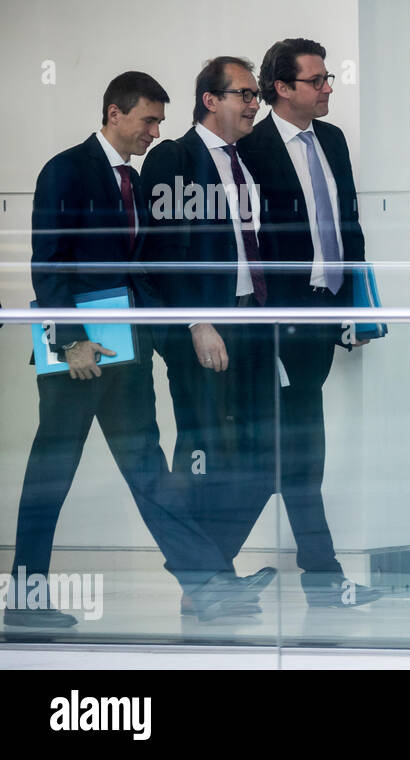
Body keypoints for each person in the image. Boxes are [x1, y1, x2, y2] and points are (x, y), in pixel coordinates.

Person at [7, 72, 273, 628]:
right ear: (114, 114)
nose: (155, 131)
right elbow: (48, 264)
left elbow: (139, 267)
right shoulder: (66, 170)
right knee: (51, 475)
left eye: (159, 121)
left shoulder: (134, 179)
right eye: (147, 120)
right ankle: (24, 599)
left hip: (126, 348)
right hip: (77, 356)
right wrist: (70, 340)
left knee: (149, 470)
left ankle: (210, 583)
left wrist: (162, 331)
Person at [234, 39, 381, 608]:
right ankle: (210, 568)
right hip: (277, 322)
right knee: (289, 453)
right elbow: (249, 244)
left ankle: (215, 570)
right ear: (282, 89)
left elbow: (348, 225)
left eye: (327, 79)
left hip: (324, 313)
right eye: (316, 80)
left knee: (297, 450)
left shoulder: (334, 140)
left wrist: (357, 308)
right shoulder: (252, 147)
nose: (327, 87)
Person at [140, 57, 279, 616]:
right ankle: (207, 580)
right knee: (201, 453)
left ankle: (209, 578)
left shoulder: (244, 163)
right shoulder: (174, 157)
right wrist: (198, 321)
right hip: (203, 330)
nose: (254, 103)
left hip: (250, 325)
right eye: (244, 93)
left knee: (262, 458)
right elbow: (157, 256)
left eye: (254, 95)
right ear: (210, 100)